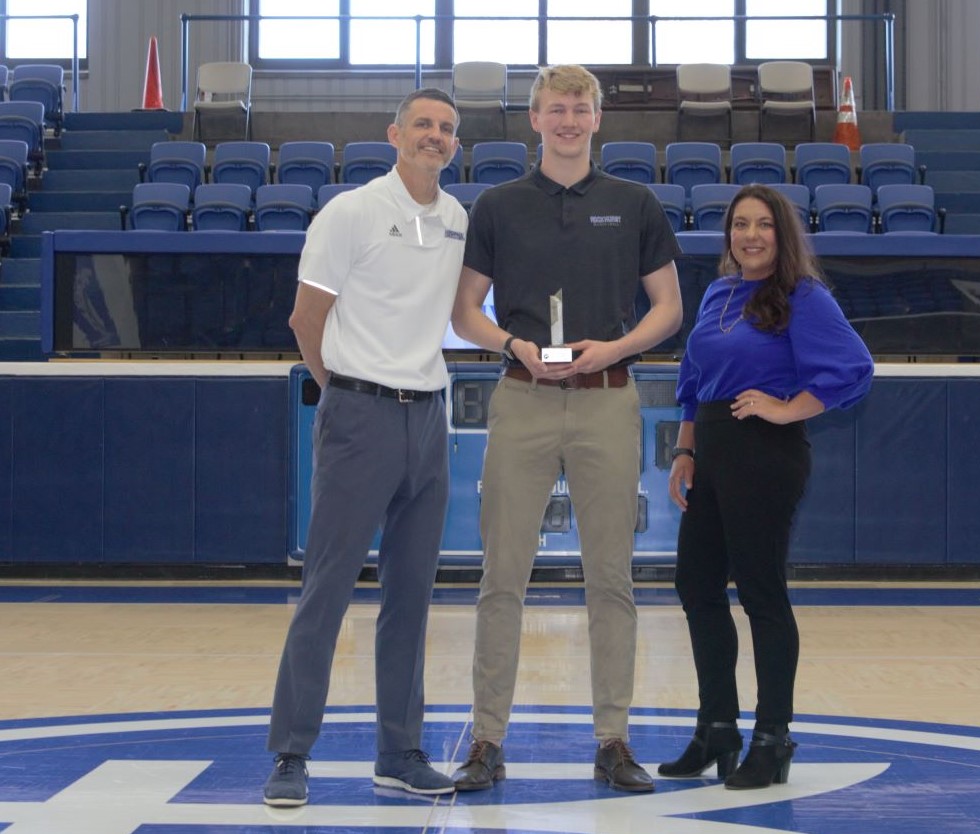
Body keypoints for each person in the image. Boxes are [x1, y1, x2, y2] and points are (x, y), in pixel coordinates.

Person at [449, 64, 683, 794]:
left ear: (597, 117)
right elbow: (464, 315)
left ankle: (612, 740)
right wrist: (511, 346)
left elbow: (668, 308)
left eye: (580, 108)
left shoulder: (634, 202)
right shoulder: (498, 205)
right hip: (520, 397)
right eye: (556, 108)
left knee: (611, 577)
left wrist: (614, 349)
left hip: (608, 398)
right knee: (501, 577)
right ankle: (487, 739)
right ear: (533, 118)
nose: (569, 120)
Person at [262, 88, 468, 807]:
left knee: (410, 597)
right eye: (422, 124)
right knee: (327, 589)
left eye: (445, 128)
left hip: (428, 421)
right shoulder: (348, 212)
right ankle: (290, 753)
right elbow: (304, 317)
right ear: (394, 134)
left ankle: (399, 751)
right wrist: (345, 391)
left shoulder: (456, 219)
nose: (434, 137)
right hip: (360, 415)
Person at [659, 184, 873, 790]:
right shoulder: (719, 293)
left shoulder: (804, 297)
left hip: (764, 454)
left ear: (782, 233)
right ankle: (716, 728)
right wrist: (685, 447)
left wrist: (787, 409)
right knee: (696, 586)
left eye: (762, 225)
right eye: (739, 224)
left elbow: (853, 369)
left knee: (761, 594)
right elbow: (695, 379)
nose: (749, 235)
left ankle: (773, 738)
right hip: (714, 451)